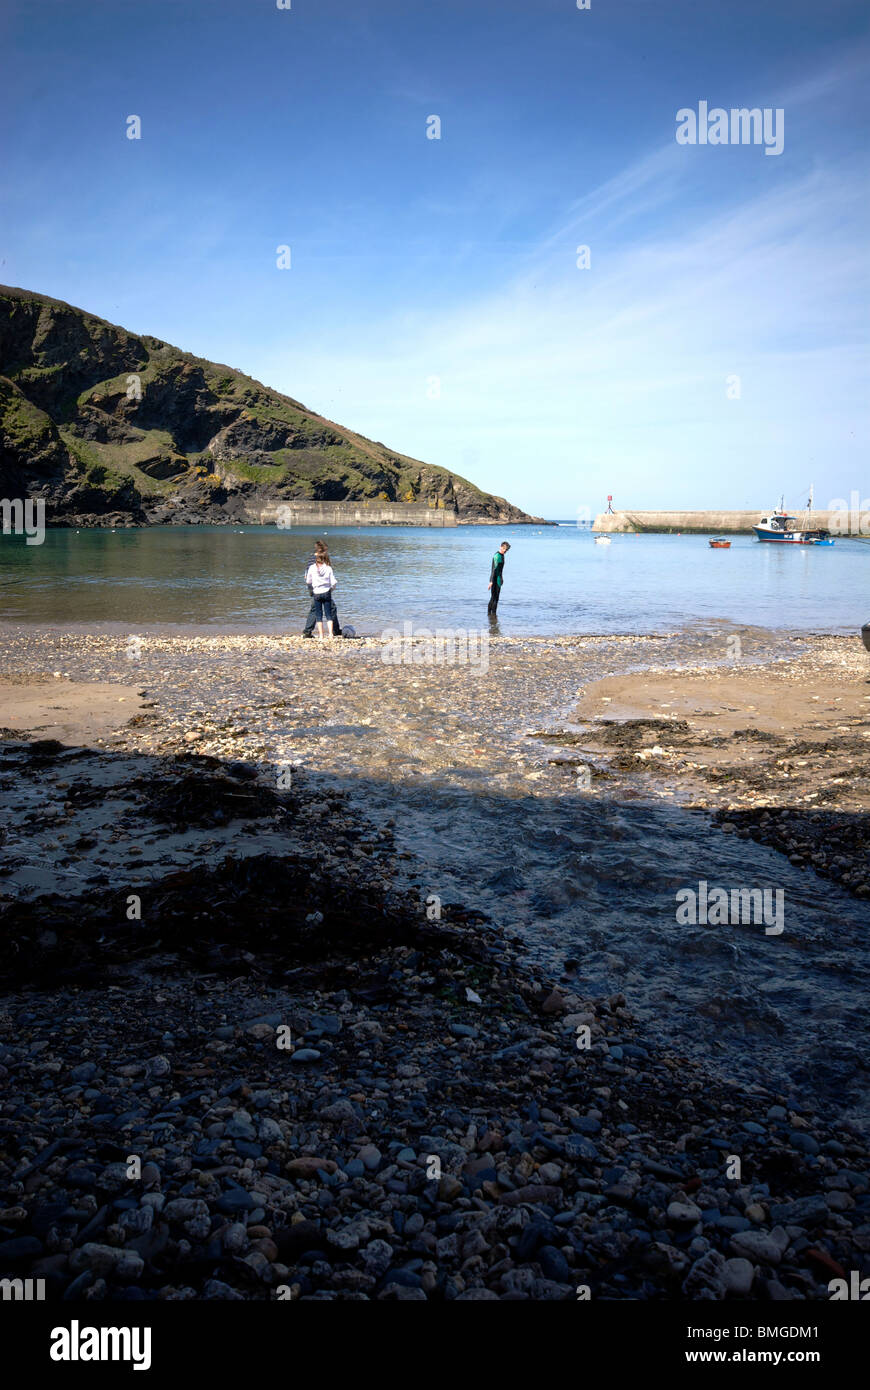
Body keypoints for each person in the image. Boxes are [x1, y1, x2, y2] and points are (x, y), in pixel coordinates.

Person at [303, 541, 342, 637]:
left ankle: (308, 631)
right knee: (330, 608)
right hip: (320, 587)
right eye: (326, 551)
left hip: (313, 586)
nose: (327, 553)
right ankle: (335, 631)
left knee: (316, 608)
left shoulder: (311, 558)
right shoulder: (319, 558)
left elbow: (306, 575)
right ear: (322, 550)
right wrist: (330, 588)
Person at [487, 540, 511, 617]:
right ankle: (492, 616)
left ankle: (491, 617)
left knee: (495, 598)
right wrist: (491, 581)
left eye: (506, 550)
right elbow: (494, 569)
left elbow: (500, 569)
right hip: (494, 579)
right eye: (504, 549)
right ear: (500, 547)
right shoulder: (497, 556)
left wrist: (501, 577)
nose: (505, 551)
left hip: (498, 579)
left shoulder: (502, 555)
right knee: (494, 598)